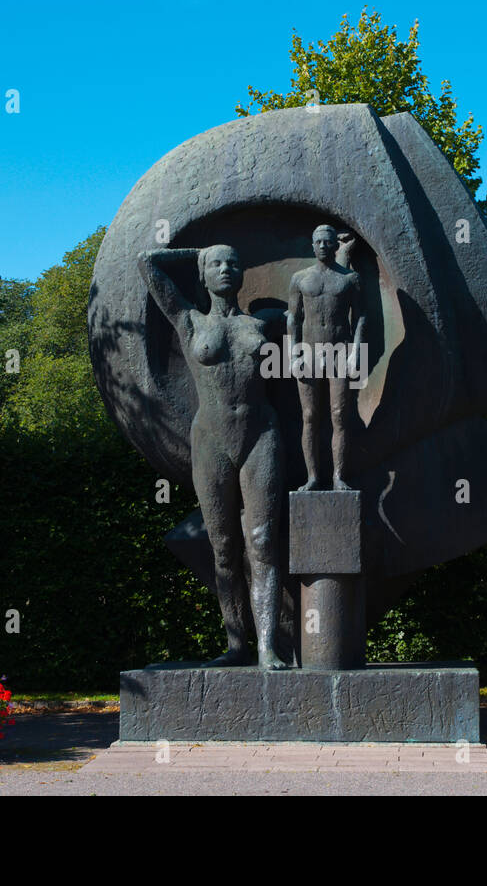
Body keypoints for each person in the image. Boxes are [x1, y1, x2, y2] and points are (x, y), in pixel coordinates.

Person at [137, 244, 288, 670]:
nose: (226, 269)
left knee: (261, 542)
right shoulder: (188, 320)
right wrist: (196, 250)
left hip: (261, 435)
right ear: (202, 275)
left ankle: (267, 649)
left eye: (233, 262)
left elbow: (320, 319)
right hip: (211, 441)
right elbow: (147, 263)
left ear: (242, 275)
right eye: (215, 264)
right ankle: (237, 644)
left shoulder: (264, 323)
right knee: (223, 547)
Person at [287, 225, 366, 491]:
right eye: (318, 241)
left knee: (340, 414)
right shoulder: (300, 278)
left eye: (327, 242)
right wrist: (293, 353)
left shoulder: (350, 279)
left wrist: (356, 352)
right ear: (312, 245)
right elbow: (293, 318)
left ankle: (338, 476)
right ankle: (312, 477)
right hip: (308, 353)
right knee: (309, 415)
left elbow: (361, 317)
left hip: (340, 352)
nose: (322, 245)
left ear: (335, 246)